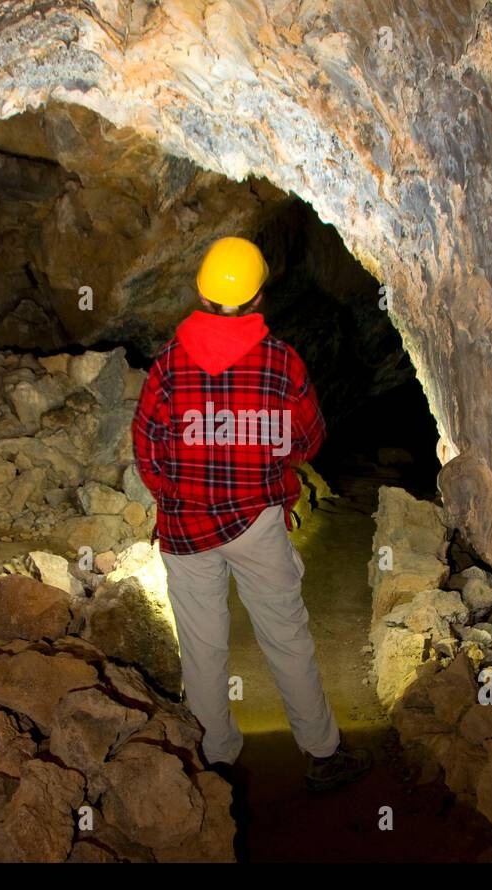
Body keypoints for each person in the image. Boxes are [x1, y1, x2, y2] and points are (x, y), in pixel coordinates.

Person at [131, 235, 373, 793]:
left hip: (186, 529)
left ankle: (216, 760)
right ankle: (322, 753)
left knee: (202, 646)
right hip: (258, 520)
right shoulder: (280, 360)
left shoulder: (170, 362)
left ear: (201, 291)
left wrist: (175, 493)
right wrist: (269, 461)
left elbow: (146, 442)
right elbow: (309, 439)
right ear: (260, 292)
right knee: (287, 637)